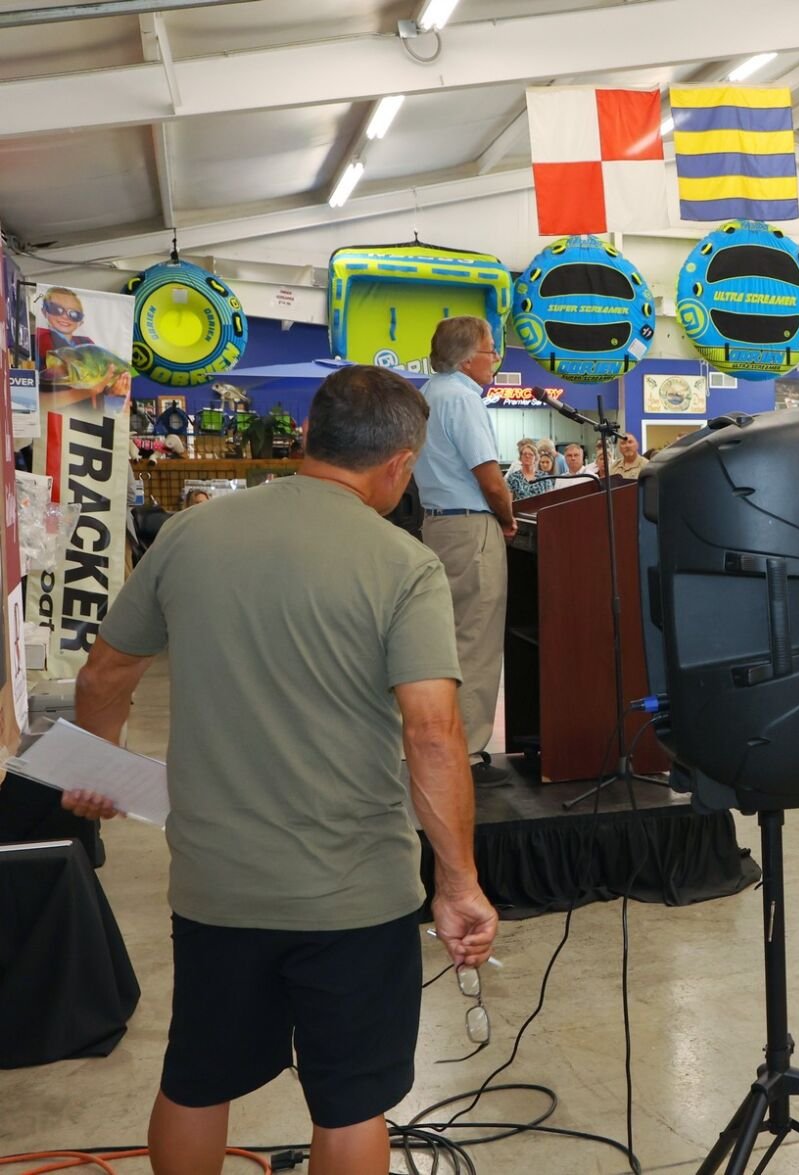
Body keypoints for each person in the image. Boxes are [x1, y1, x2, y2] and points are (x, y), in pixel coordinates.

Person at [62, 365, 498, 1172]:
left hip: (216, 883)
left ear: (307, 437)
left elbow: (102, 677)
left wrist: (100, 771)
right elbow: (432, 731)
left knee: (196, 1081)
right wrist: (459, 880)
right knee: (349, 1102)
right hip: (354, 891)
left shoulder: (190, 533)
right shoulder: (403, 565)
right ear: (400, 463)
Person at [411, 316, 517, 787]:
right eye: (491, 349)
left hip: (436, 526)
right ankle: (469, 755)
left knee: (446, 643)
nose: (495, 358)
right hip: (471, 527)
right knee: (475, 643)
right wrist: (509, 517)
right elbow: (489, 477)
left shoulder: (429, 395)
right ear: (467, 355)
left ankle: (438, 744)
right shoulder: (464, 399)